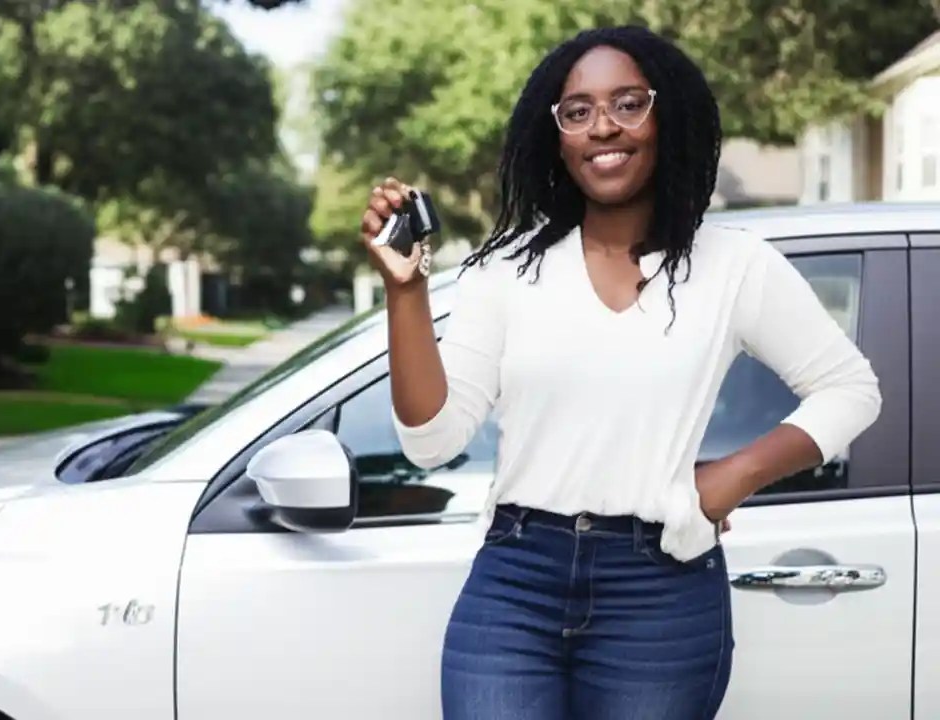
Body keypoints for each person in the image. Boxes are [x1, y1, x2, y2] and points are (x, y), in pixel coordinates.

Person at [358, 26, 882, 720]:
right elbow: (432, 442)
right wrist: (407, 292)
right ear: (556, 136)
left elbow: (852, 390)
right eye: (577, 111)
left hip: (660, 588)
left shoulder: (734, 266)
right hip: (517, 579)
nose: (603, 126)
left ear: (667, 116)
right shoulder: (506, 271)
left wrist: (731, 477)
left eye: (628, 103)